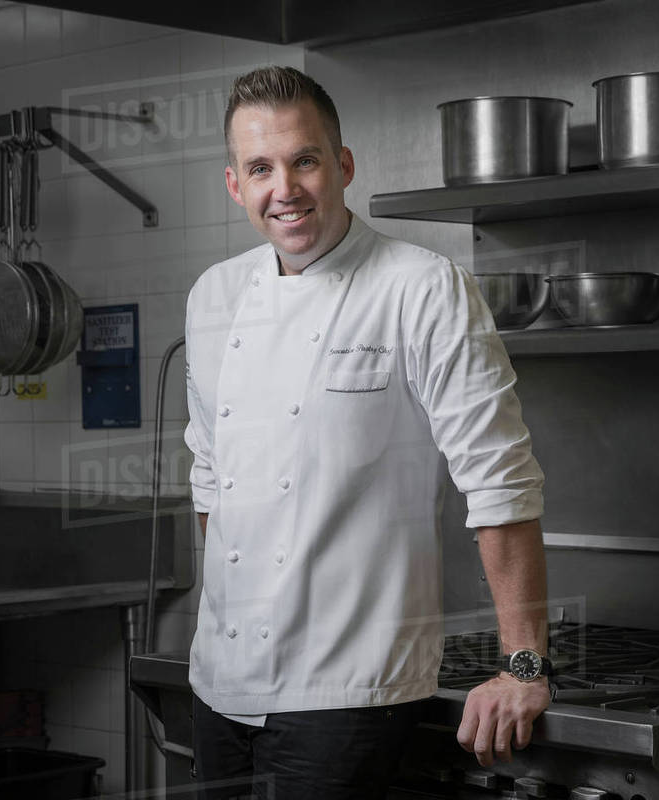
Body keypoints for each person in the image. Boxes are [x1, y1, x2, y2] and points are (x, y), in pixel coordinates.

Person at [182, 65, 551, 799]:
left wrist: (522, 665)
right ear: (234, 185)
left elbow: (499, 480)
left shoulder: (420, 286)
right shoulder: (214, 296)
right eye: (260, 168)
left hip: (350, 692)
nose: (283, 188)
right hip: (220, 687)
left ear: (343, 166)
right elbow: (209, 478)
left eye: (304, 160)